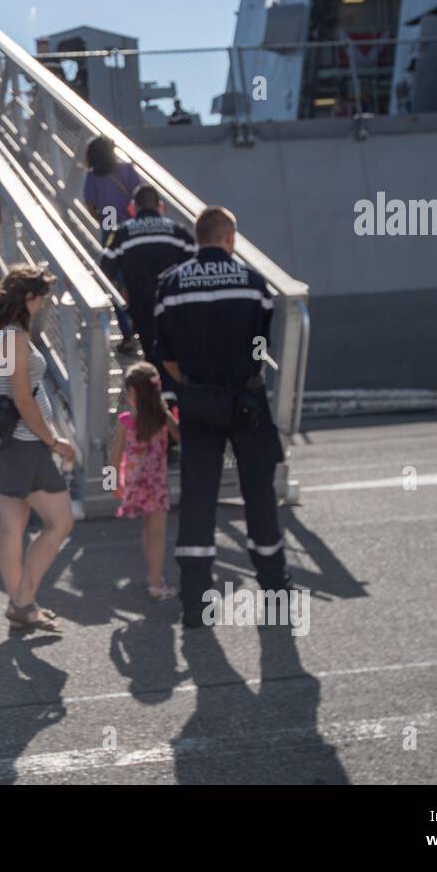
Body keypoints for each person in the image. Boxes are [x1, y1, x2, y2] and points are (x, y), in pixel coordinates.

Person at [153, 205, 291, 628]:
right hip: (246, 401)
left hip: (198, 403)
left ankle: (196, 605)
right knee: (259, 495)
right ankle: (275, 597)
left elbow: (165, 355)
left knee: (198, 498)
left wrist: (193, 382)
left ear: (198, 238)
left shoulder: (172, 285)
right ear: (229, 239)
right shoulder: (252, 283)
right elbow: (261, 346)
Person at [0, 265, 76, 634]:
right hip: (24, 445)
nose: (44, 302)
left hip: (6, 444)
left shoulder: (1, 333)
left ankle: (22, 604)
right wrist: (54, 441)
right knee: (60, 521)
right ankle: (22, 601)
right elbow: (21, 399)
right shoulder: (13, 336)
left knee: (12, 527)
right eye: (42, 295)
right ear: (29, 297)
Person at [100, 184, 195, 400]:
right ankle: (177, 405)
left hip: (142, 307)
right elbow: (195, 261)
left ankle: (160, 407)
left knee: (153, 358)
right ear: (160, 206)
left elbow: (105, 267)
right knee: (175, 356)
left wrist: (120, 290)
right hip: (176, 308)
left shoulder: (122, 232)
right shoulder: (177, 231)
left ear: (133, 207)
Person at [109, 363, 180, 601]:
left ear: (132, 394)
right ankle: (156, 583)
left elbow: (115, 456)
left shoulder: (125, 421)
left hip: (134, 484)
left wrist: (111, 485)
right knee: (157, 534)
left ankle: (153, 576)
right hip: (156, 485)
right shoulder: (162, 417)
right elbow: (181, 436)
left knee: (147, 530)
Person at [83, 135, 144, 353]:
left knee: (115, 283)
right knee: (136, 278)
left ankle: (128, 335)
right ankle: (141, 325)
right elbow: (141, 196)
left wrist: (103, 219)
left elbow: (90, 205)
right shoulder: (127, 169)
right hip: (133, 231)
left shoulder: (92, 177)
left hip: (110, 232)